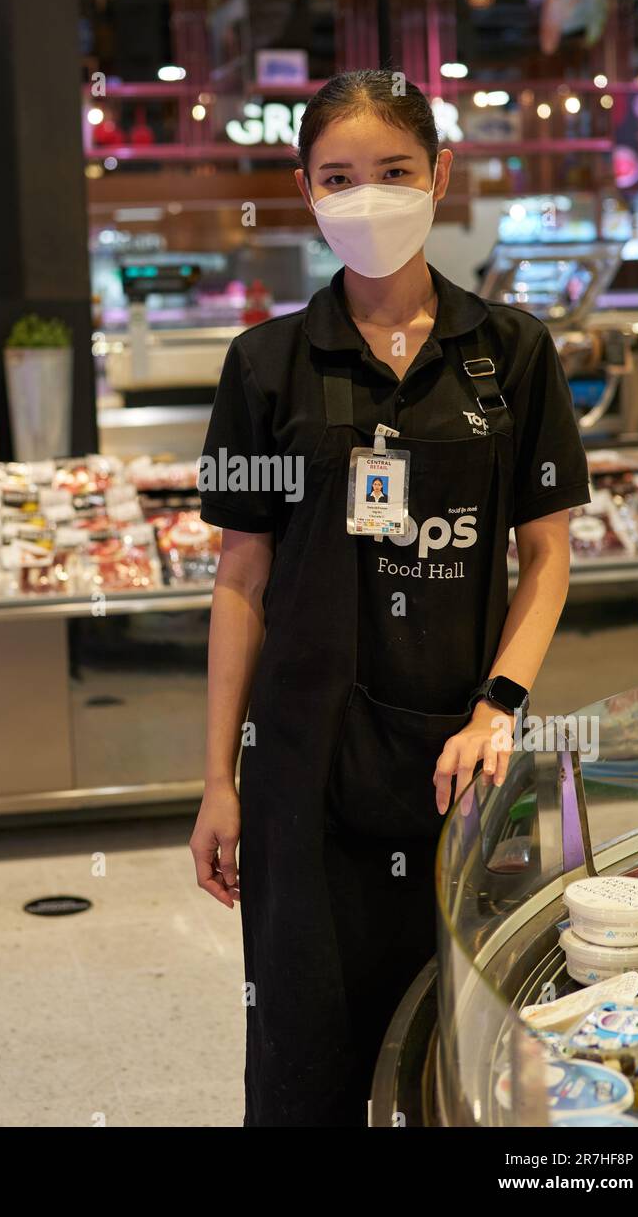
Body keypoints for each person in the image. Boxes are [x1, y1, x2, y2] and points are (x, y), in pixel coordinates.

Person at [189, 70, 590, 1128]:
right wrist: (215, 778)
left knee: (456, 1057)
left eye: (393, 172)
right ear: (305, 190)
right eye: (336, 176)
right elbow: (239, 581)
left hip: (456, 765)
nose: (365, 195)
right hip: (299, 776)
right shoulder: (264, 365)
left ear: (438, 177)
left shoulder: (510, 354)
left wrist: (497, 703)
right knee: (301, 1062)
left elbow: (545, 559)